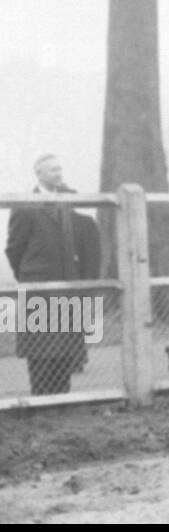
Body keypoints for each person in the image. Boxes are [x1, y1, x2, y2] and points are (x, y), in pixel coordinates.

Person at [5, 154, 101, 395]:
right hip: (39, 288)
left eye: (59, 169)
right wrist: (30, 275)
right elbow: (14, 249)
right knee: (39, 349)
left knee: (65, 347)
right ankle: (41, 401)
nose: (58, 174)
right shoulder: (26, 205)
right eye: (51, 171)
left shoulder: (66, 200)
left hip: (67, 287)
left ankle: (61, 400)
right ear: (38, 174)